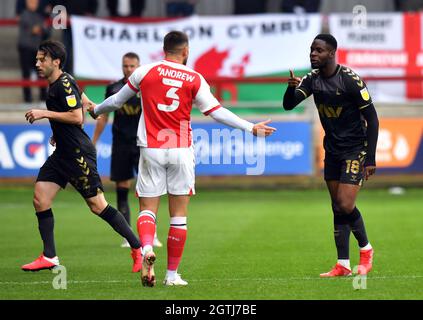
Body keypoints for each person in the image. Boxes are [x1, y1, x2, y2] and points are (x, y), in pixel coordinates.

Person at [87, 31, 276, 287]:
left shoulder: (145, 72)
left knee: (147, 208)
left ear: (164, 49)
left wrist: (95, 109)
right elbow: (216, 112)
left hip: (151, 148)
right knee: (178, 216)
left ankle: (145, 249)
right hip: (180, 149)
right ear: (185, 51)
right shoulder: (194, 78)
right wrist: (250, 127)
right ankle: (172, 275)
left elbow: (116, 101)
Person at [21, 40, 143, 274]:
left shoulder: (64, 83)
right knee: (40, 198)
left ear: (55, 62)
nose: (37, 63)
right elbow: (82, 103)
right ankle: (49, 256)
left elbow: (77, 117)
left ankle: (138, 248)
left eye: (41, 59)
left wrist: (44, 113)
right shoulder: (63, 80)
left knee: (97, 206)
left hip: (77, 154)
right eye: (36, 59)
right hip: (63, 153)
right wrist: (59, 131)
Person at [283, 34, 379, 277]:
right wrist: (290, 88)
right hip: (333, 149)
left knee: (346, 204)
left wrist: (370, 158)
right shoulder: (311, 80)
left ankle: (366, 250)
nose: (313, 54)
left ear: (331, 53)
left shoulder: (350, 81)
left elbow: (373, 119)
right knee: (337, 207)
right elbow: (289, 105)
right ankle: (343, 265)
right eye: (312, 50)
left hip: (355, 149)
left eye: (319, 50)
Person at [92, 52, 163, 248]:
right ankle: (127, 234)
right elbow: (104, 116)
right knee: (122, 188)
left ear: (138, 66)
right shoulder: (114, 88)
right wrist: (95, 140)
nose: (129, 69)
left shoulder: (147, 86)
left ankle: (152, 233)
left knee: (148, 188)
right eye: (126, 66)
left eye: (132, 66)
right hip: (121, 143)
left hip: (144, 144)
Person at [17, 0, 48, 103]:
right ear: (26, 3)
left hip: (37, 48)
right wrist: (40, 27)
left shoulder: (39, 15)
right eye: (31, 2)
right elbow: (35, 29)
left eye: (35, 3)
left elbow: (44, 29)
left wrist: (41, 28)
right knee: (26, 74)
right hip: (25, 48)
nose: (33, 5)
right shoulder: (24, 15)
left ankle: (43, 97)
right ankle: (27, 98)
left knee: (41, 72)